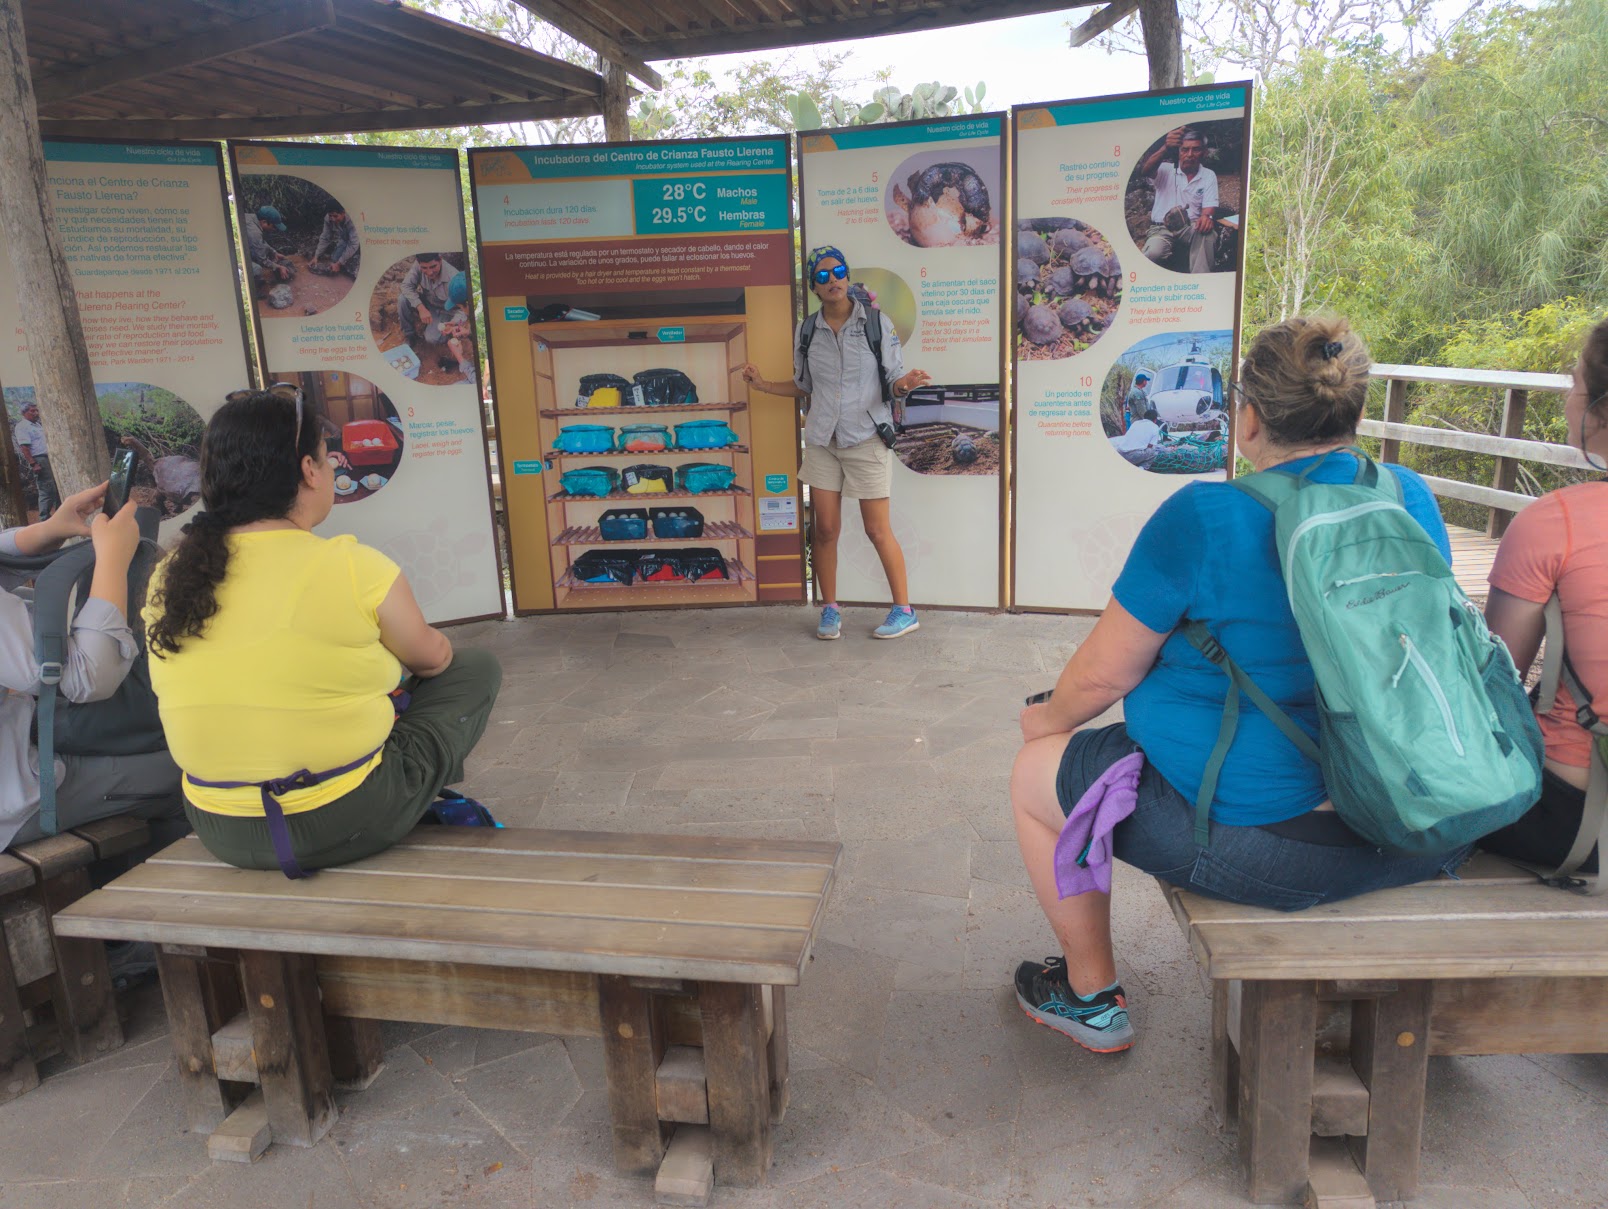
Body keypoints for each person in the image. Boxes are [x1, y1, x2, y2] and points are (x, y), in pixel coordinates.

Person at [1009, 315, 1466, 1053]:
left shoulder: (1203, 517)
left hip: (1268, 842)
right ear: (1351, 412)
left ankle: (1091, 996)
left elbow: (1100, 675)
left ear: (1247, 418)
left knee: (1036, 777)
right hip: (1408, 825)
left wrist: (1046, 720)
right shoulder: (1408, 497)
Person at [143, 387, 502, 874]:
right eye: (326, 458)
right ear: (309, 470)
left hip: (217, 825)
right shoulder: (353, 566)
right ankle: (410, 791)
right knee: (473, 667)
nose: (331, 468)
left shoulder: (171, 573)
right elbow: (434, 659)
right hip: (342, 820)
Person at [739, 246, 932, 641]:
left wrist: (906, 385)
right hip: (824, 439)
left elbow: (893, 381)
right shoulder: (807, 330)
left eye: (838, 271)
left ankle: (904, 610)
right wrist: (762, 386)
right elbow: (804, 387)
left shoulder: (877, 324)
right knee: (824, 529)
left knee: (877, 530)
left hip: (866, 439)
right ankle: (830, 609)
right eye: (823, 276)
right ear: (813, 286)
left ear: (847, 275)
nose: (833, 280)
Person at [1481, 317, 1608, 876]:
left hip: (1580, 822)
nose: (1567, 389)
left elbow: (1492, 677)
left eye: (1575, 378)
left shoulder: (1556, 520)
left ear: (1599, 408)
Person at [1, 483, 183, 847]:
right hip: (17, 795)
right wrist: (113, 560)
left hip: (19, 734)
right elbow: (88, 675)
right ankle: (123, 891)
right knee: (188, 771)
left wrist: (46, 531)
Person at [1140, 128, 1219, 273]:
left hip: (1190, 227)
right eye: (1185, 149)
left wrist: (1206, 217)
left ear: (1204, 152)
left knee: (1207, 232)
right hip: (1162, 228)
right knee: (1152, 253)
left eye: (1195, 150)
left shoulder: (1208, 175)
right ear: (1179, 151)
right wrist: (1165, 147)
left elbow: (1209, 205)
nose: (1190, 155)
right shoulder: (1165, 169)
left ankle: (1200, 282)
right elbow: (1145, 170)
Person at [398, 253, 462, 349]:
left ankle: (441, 330)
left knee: (432, 339)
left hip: (447, 311)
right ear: (419, 263)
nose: (429, 272)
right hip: (428, 302)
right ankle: (410, 335)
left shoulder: (454, 278)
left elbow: (464, 309)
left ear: (440, 260)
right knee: (403, 299)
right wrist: (420, 307)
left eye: (433, 266)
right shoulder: (418, 264)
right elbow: (405, 286)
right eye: (424, 268)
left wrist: (454, 322)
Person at [13, 400, 57, 519]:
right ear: (24, 412)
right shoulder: (23, 426)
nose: (36, 413)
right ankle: (45, 517)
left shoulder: (37, 425)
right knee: (47, 488)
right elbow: (24, 447)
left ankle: (55, 515)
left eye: (36, 410)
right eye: (32, 411)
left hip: (48, 458)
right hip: (39, 459)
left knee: (52, 487)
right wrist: (33, 464)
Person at [243, 205, 294, 294]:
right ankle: (249, 293)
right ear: (264, 222)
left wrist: (274, 252)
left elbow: (260, 243)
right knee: (256, 269)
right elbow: (262, 260)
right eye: (273, 226)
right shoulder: (254, 232)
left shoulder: (250, 218)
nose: (274, 229)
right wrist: (279, 267)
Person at [313, 208, 360, 277]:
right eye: (330, 216)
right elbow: (325, 238)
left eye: (335, 216)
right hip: (345, 240)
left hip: (365, 240)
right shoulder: (328, 218)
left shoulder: (353, 220)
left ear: (343, 213)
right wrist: (316, 256)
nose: (333, 219)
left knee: (353, 269)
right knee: (334, 259)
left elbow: (354, 244)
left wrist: (339, 263)